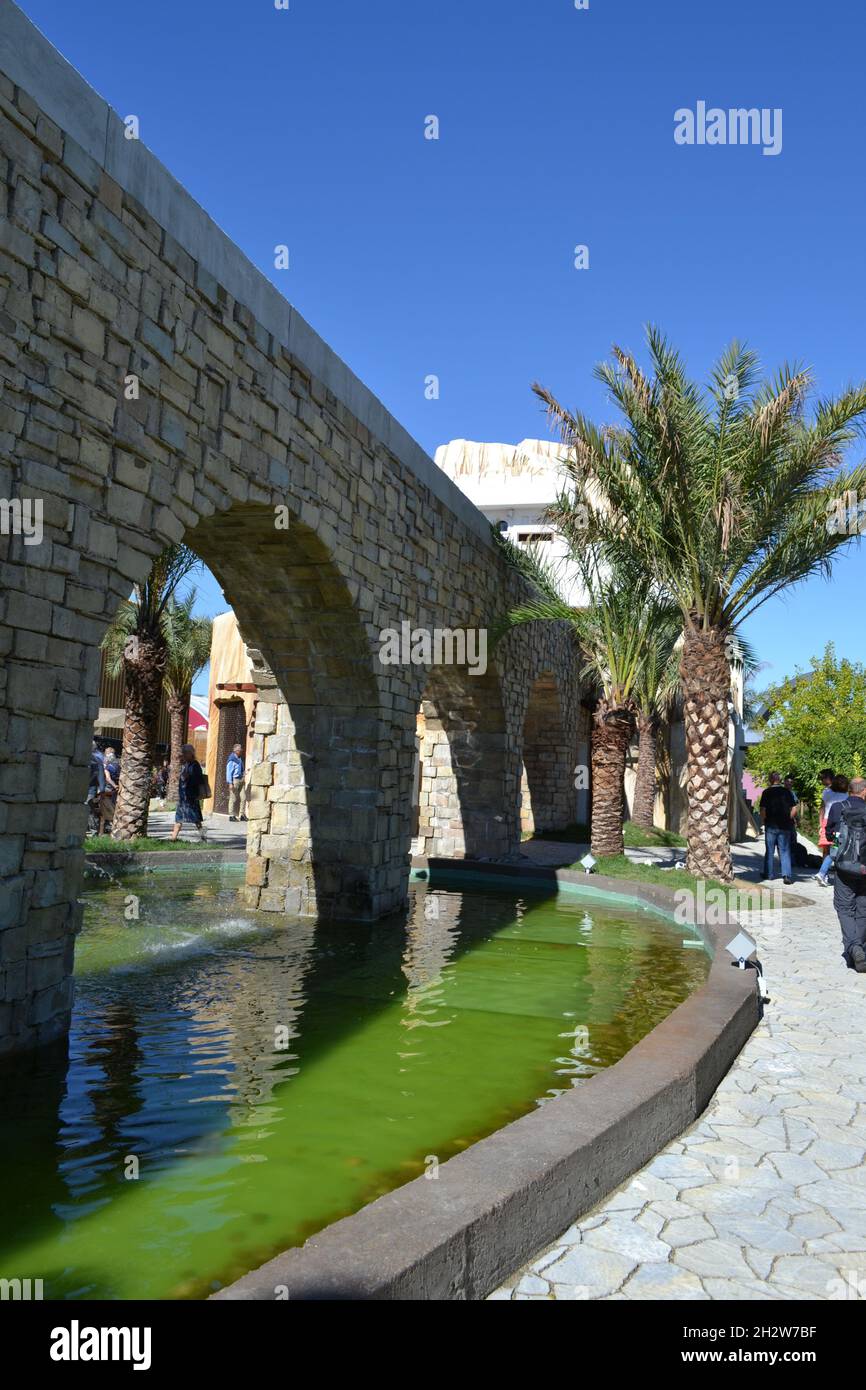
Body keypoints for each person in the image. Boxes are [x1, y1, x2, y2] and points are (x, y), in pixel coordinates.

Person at [825, 777, 866, 972]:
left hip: (844, 868)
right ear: (864, 791)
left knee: (844, 907)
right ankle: (858, 948)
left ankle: (855, 948)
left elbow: (829, 835)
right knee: (863, 908)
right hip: (865, 869)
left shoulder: (837, 807)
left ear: (850, 790)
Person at [759, 771, 797, 884]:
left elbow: (762, 810)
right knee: (785, 851)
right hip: (785, 826)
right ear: (780, 780)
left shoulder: (767, 792)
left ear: (770, 780)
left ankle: (768, 874)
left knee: (769, 851)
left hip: (771, 825)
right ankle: (787, 876)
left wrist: (764, 821)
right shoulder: (787, 792)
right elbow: (794, 808)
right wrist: (788, 818)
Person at [816, 773, 849, 886]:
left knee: (827, 851)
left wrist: (821, 825)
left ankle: (823, 874)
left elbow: (822, 808)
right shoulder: (846, 797)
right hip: (839, 827)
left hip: (827, 823)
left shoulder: (827, 793)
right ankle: (824, 873)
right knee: (836, 851)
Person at [170, 744, 207, 843]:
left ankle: (203, 838)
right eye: (183, 753)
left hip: (191, 797)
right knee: (178, 819)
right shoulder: (185, 764)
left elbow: (199, 780)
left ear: (191, 753)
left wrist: (188, 777)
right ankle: (173, 839)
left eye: (185, 753)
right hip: (183, 797)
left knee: (197, 820)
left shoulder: (195, 765)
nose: (183, 755)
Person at [86, 738, 105, 836]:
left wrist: (102, 790)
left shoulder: (96, 760)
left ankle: (93, 832)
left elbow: (101, 776)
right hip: (78, 789)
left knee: (89, 810)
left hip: (90, 789)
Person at [99, 745, 120, 835]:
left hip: (108, 789)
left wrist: (114, 785)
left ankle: (102, 831)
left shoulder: (107, 767)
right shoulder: (118, 765)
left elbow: (107, 778)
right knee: (113, 807)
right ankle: (111, 828)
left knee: (105, 809)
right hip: (116, 789)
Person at [226, 743, 246, 822]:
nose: (241, 751)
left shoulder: (239, 758)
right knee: (233, 798)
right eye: (240, 750)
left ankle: (242, 815)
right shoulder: (231, 760)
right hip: (235, 780)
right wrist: (230, 783)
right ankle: (231, 815)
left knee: (243, 798)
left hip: (241, 779)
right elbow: (229, 772)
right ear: (236, 751)